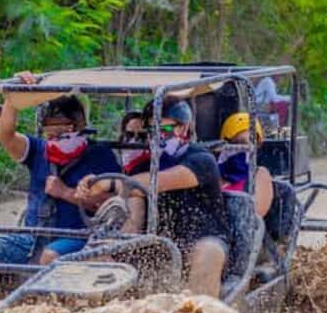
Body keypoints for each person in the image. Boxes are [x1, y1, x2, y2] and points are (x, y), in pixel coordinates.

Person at [0, 71, 119, 298]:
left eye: (64, 131)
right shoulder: (39, 151)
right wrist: (15, 96)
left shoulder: (99, 156)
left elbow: (113, 206)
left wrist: (67, 193)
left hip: (77, 236)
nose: (56, 137)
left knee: (50, 256)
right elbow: (6, 135)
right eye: (51, 132)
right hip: (32, 235)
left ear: (80, 127)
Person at [78, 99, 230, 297]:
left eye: (165, 128)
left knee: (208, 252)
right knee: (101, 252)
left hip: (204, 239)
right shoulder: (145, 165)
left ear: (184, 128)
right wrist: (113, 245)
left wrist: (110, 183)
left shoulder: (201, 159)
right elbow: (134, 212)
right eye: (152, 130)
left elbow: (159, 181)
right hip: (160, 244)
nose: (157, 136)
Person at [217, 112, 274, 217]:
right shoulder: (215, 173)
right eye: (236, 143)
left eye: (247, 144)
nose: (242, 149)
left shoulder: (259, 175)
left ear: (257, 146)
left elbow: (253, 218)